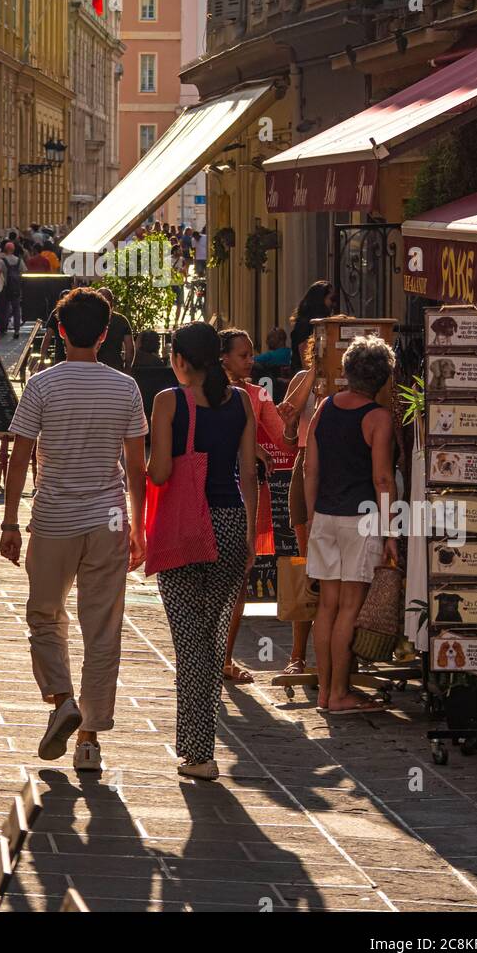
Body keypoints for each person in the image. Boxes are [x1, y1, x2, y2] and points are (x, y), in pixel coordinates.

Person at [0, 288, 148, 772]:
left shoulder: (42, 385)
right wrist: (138, 526)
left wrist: (9, 522)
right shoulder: (125, 388)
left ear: (60, 331)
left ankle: (62, 698)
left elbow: (18, 455)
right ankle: (88, 740)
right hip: (107, 519)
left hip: (53, 520)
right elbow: (136, 466)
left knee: (44, 615)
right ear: (105, 335)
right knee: (102, 629)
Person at [147, 323, 258, 781]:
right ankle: (197, 747)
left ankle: (199, 752)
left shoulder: (168, 401)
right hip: (231, 523)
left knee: (190, 643)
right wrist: (250, 538)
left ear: (179, 360)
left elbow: (157, 474)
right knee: (209, 642)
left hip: (187, 527)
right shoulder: (243, 401)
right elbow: (247, 474)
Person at [303, 336, 397, 715]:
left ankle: (325, 692)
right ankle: (340, 693)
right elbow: (383, 481)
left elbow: (310, 467)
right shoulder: (379, 418)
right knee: (349, 608)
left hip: (325, 515)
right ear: (384, 379)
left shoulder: (324, 408)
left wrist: (312, 518)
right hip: (362, 521)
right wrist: (391, 532)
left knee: (326, 606)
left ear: (347, 370)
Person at [219, 329, 297, 684]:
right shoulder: (244, 396)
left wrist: (294, 409)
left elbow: (284, 438)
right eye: (244, 355)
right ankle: (219, 660)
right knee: (232, 582)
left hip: (240, 495)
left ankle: (221, 659)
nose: (252, 361)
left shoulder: (256, 394)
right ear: (223, 358)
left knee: (235, 584)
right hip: (235, 496)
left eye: (251, 355)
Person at [279, 344, 320, 676]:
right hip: (305, 467)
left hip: (343, 473)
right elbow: (289, 434)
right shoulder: (304, 379)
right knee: (306, 563)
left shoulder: (357, 381)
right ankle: (297, 655)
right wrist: (315, 374)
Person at [289, 280, 336, 375]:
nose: (333, 304)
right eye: (330, 299)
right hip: (305, 375)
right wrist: (310, 377)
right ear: (320, 300)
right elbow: (304, 352)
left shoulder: (309, 322)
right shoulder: (305, 324)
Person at [96, 288, 134, 372]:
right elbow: (129, 348)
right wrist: (128, 368)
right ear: (112, 302)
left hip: (94, 367)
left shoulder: (89, 320)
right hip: (115, 366)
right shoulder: (122, 320)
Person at [0, 240, 23, 340]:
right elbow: (23, 272)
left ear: (5, 249)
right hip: (16, 288)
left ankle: (3, 328)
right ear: (13, 249)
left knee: (4, 308)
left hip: (5, 288)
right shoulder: (19, 260)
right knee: (16, 309)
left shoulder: (2, 261)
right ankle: (16, 330)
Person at [39, 290, 71, 369]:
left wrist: (42, 360)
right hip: (76, 355)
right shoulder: (78, 313)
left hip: (60, 354)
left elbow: (47, 337)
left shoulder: (56, 313)